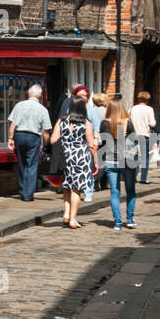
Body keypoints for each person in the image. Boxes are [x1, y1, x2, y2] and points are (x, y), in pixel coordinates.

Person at [50, 95, 99, 229]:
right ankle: (73, 219)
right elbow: (90, 144)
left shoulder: (62, 121)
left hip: (65, 157)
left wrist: (65, 141)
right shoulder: (86, 123)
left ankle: (66, 214)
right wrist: (95, 162)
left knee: (67, 186)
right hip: (80, 157)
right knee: (76, 190)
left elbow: (53, 140)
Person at [98, 97, 138, 231]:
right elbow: (134, 140)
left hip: (110, 160)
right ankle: (130, 219)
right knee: (130, 190)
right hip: (127, 160)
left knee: (114, 192)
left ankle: (118, 222)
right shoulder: (127, 122)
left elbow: (102, 143)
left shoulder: (104, 123)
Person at [7, 84, 51, 203]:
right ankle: (27, 194)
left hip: (19, 135)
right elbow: (45, 131)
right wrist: (46, 143)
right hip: (33, 136)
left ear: (28, 94)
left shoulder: (19, 105)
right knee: (31, 166)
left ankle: (22, 190)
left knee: (21, 164)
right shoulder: (43, 109)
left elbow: (12, 124)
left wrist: (10, 139)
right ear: (40, 96)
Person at [129, 90, 156, 183]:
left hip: (133, 135)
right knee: (145, 157)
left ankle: (133, 176)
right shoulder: (149, 109)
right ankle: (143, 178)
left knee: (134, 157)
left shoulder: (133, 108)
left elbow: (129, 121)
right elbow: (152, 123)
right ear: (147, 99)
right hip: (144, 135)